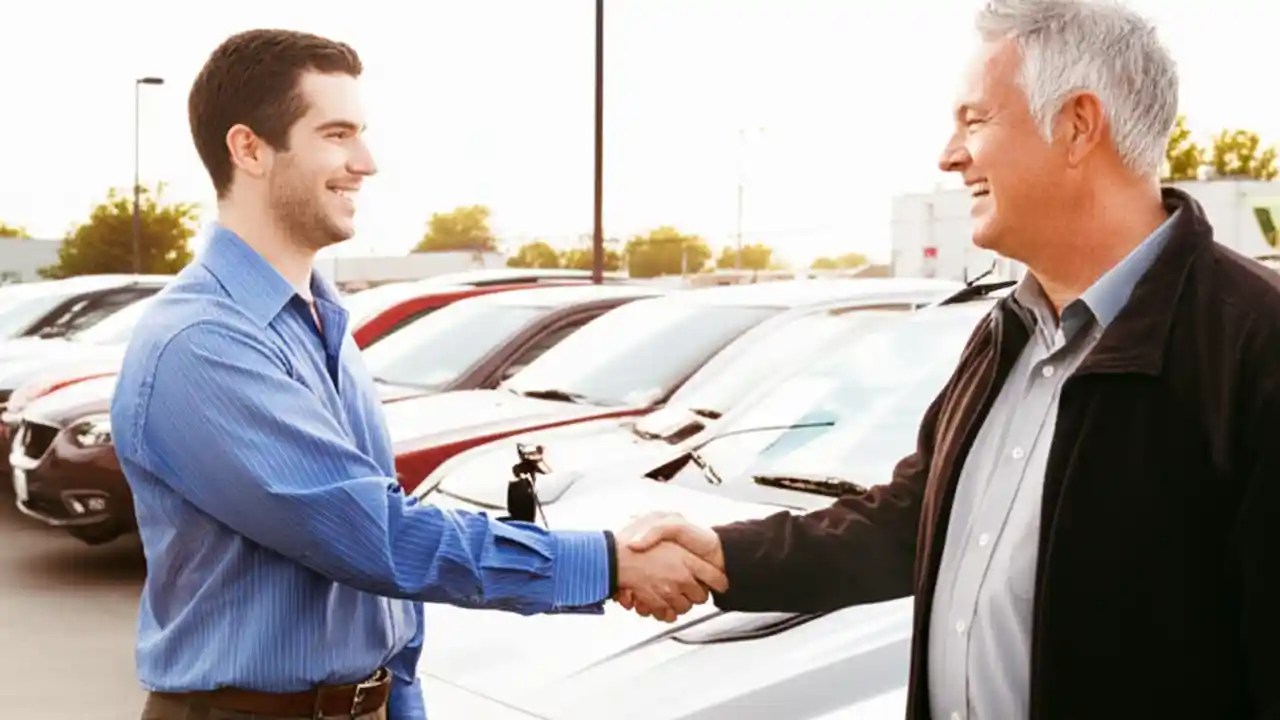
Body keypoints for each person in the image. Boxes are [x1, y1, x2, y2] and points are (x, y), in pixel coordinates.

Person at [620, 1, 1280, 718]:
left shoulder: (1254, 347)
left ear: (1078, 126)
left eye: (975, 120)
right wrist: (725, 555)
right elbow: (913, 518)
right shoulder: (1009, 331)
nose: (948, 155)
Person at [111, 29, 725, 720]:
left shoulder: (322, 321)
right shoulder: (203, 342)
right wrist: (608, 562)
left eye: (361, 134)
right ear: (249, 148)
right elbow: (370, 537)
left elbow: (377, 583)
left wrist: (398, 698)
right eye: (336, 134)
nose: (365, 162)